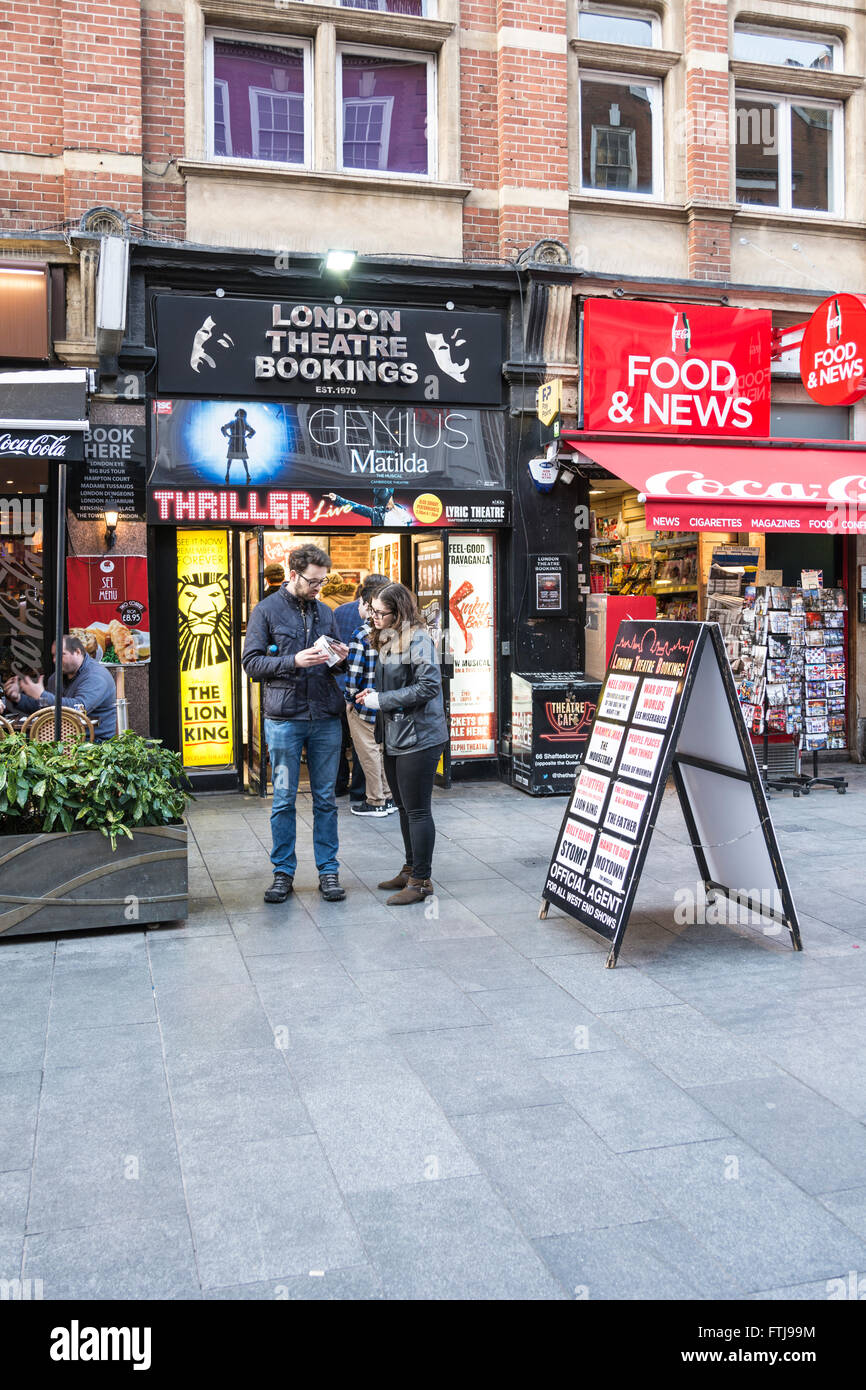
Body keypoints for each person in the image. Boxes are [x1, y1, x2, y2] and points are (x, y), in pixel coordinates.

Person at [242, 543, 350, 904]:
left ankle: (329, 870)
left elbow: (337, 667)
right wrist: (294, 661)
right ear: (293, 574)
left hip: (325, 718)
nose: (319, 588)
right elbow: (252, 664)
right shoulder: (266, 611)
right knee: (284, 798)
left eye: (322, 581)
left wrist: (341, 658)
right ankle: (283, 873)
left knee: (325, 799)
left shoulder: (326, 611)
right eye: (313, 581)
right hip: (284, 721)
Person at [355, 582, 448, 905]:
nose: (375, 617)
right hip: (396, 733)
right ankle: (410, 869)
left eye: (381, 613)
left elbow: (428, 686)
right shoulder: (389, 636)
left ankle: (421, 881)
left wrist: (383, 700)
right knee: (405, 808)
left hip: (419, 736)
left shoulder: (419, 638)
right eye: (373, 611)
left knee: (418, 810)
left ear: (399, 612)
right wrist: (376, 697)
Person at [344, 576, 397, 819]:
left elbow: (354, 675)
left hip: (364, 702)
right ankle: (388, 798)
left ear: (367, 605)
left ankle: (376, 801)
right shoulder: (399, 631)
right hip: (387, 701)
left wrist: (349, 699)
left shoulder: (361, 633)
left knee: (369, 753)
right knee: (383, 751)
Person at [333, 574, 389, 806]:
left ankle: (344, 787)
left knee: (346, 743)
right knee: (374, 749)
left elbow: (352, 669)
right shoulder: (398, 628)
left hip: (349, 691)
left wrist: (349, 696)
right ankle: (370, 792)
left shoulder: (344, 616)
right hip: (382, 697)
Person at [3, 636, 118, 740]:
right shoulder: (56, 677)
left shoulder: (96, 676)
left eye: (60, 654)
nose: (54, 660)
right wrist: (18, 698)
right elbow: (46, 707)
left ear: (77, 652)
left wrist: (41, 695)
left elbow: (78, 709)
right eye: (53, 655)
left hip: (94, 744)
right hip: (62, 740)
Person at [325, 487, 413, 527]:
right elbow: (356, 507)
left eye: (386, 501)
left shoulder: (401, 509)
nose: (385, 505)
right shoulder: (375, 513)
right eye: (383, 502)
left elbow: (408, 522)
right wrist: (338, 499)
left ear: (391, 497)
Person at [220, 407, 255, 484]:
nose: (240, 416)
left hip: (241, 444)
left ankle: (248, 474)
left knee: (244, 460)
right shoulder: (232, 422)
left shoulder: (244, 424)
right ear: (237, 414)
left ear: (243, 416)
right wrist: (227, 434)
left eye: (242, 414)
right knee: (230, 459)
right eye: (239, 414)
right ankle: (227, 473)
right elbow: (223, 428)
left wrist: (248, 436)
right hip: (233, 443)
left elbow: (253, 431)